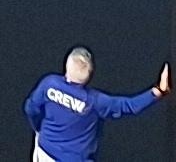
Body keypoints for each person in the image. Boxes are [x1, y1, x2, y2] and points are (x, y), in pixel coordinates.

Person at [23, 47, 167, 161]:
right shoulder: (96, 102)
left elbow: (30, 108)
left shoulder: (49, 84)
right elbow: (128, 106)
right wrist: (157, 91)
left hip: (45, 153)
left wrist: (38, 128)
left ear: (67, 65)